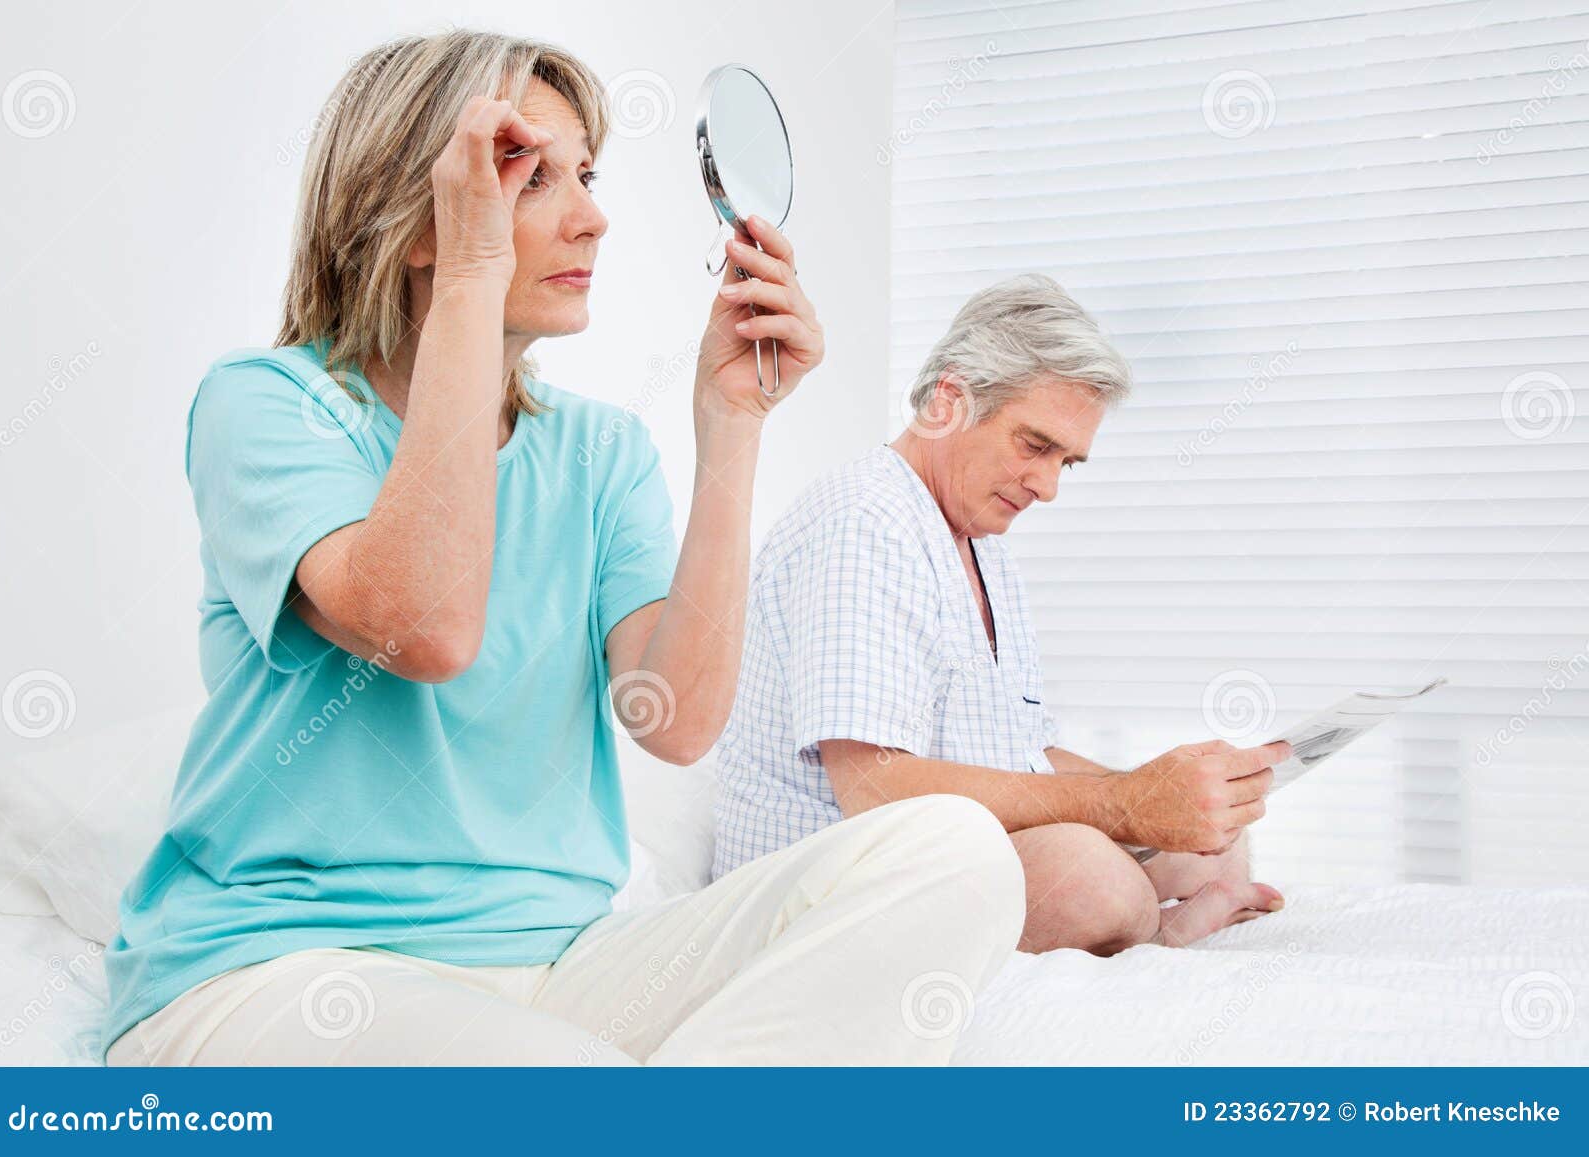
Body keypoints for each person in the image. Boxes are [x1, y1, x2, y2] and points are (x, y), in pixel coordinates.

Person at [102, 29, 1025, 1067]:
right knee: (571, 1085)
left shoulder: (596, 449)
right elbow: (427, 627)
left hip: (559, 966)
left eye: (584, 172)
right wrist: (466, 275)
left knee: (954, 851)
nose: (593, 214)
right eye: (529, 175)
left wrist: (732, 425)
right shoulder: (268, 406)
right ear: (417, 220)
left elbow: (675, 722)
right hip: (281, 970)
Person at [710, 273, 1290, 954]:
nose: (1046, 486)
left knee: (1213, 846)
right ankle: (1159, 933)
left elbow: (1025, 753)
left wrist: (1165, 792)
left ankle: (1163, 912)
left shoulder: (981, 544)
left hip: (938, 857)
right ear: (950, 402)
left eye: (1066, 464)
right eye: (1034, 445)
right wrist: (1121, 803)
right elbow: (874, 787)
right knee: (1096, 881)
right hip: (823, 890)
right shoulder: (862, 520)